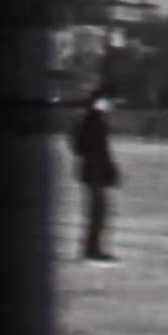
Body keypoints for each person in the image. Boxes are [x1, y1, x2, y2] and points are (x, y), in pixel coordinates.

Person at [71, 90, 120, 263]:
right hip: (94, 172)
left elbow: (78, 147)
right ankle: (92, 249)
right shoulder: (94, 122)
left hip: (91, 171)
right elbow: (100, 150)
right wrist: (111, 171)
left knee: (97, 211)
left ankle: (91, 248)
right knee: (98, 212)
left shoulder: (88, 122)